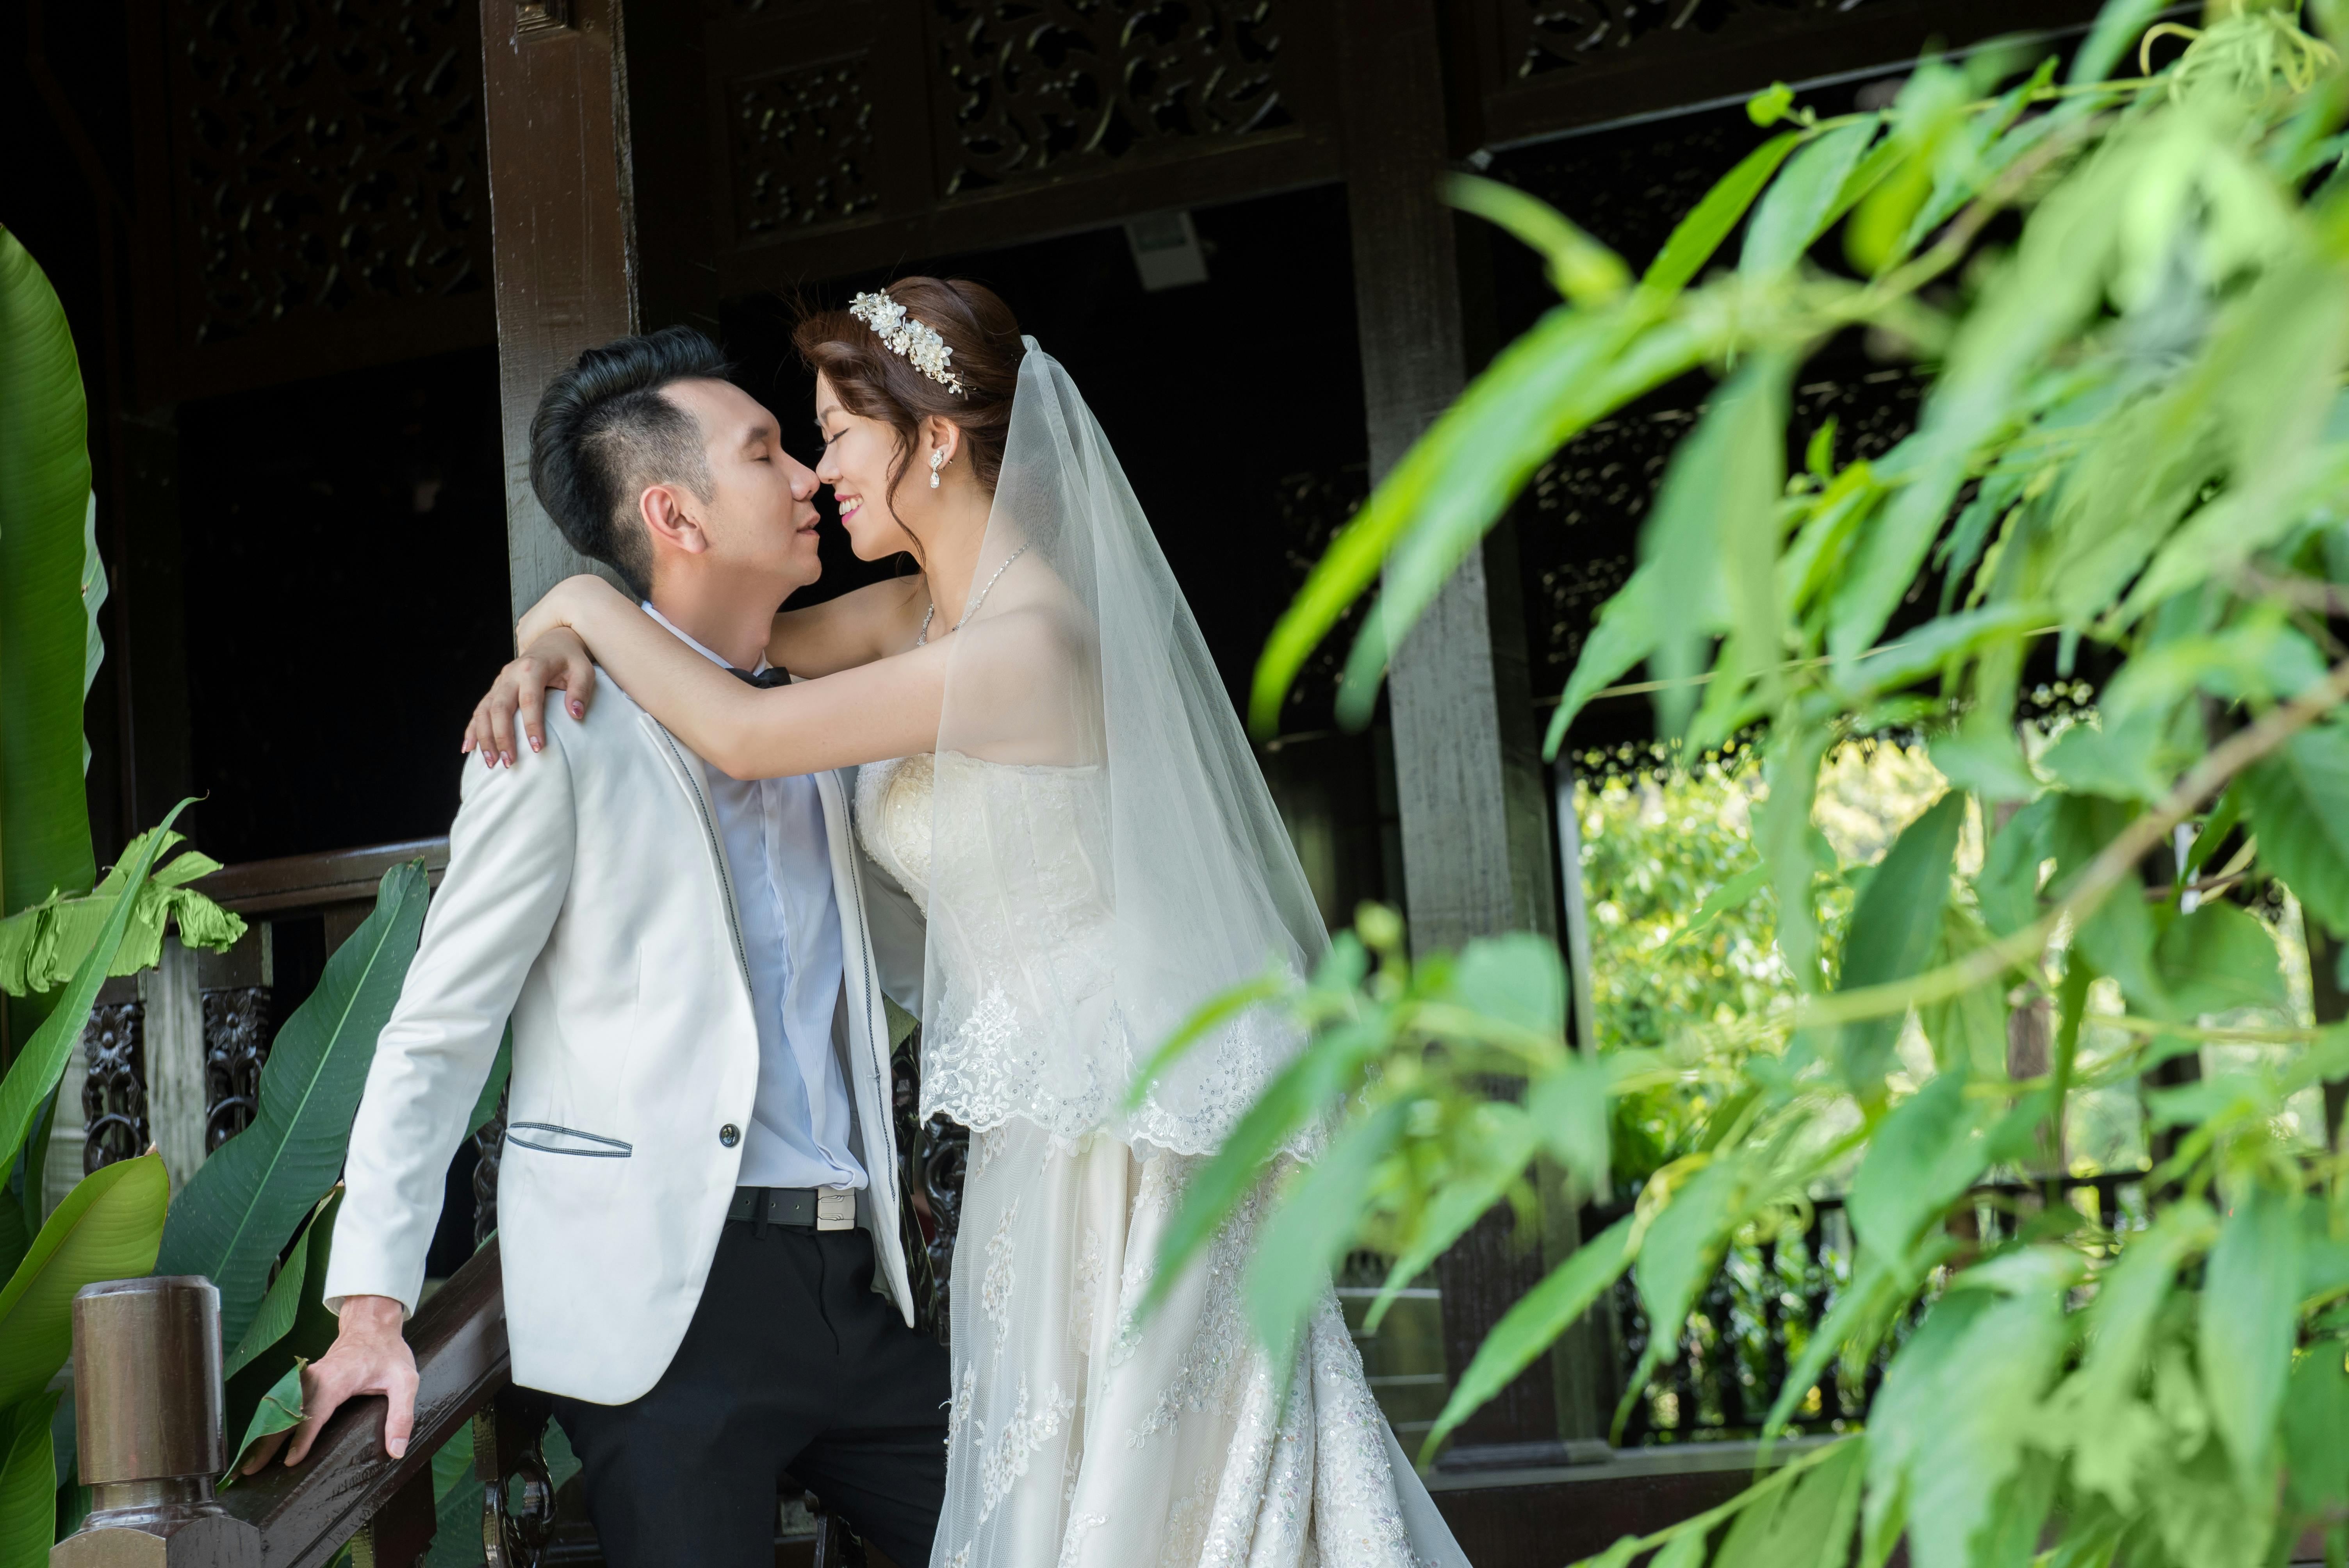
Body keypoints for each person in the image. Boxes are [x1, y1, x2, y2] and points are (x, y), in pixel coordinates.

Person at [467, 280, 1469, 1568]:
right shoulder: (917, 615)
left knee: (1164, 1496)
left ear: (934, 439)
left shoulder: (1031, 644)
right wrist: (548, 652)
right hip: (1033, 1131)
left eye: (837, 434)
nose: (822, 471)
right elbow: (716, 655)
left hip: (1132, 1131)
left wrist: (579, 606)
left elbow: (748, 732)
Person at [256, 326, 948, 1568]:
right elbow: (439, 1030)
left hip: (854, 1286)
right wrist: (371, 1307)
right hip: (661, 1317)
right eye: (766, 453)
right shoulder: (551, 732)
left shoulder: (818, 722)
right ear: (674, 514)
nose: (807, 477)